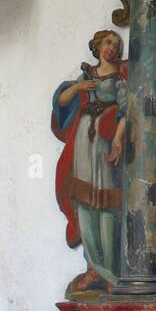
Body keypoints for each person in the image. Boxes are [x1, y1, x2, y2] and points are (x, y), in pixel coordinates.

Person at [52, 29, 127, 293]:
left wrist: (118, 140)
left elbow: (126, 111)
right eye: (108, 42)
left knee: (106, 205)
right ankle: (94, 268)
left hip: (104, 143)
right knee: (84, 201)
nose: (112, 48)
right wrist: (77, 87)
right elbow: (61, 101)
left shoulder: (119, 80)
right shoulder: (86, 77)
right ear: (97, 46)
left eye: (117, 45)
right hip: (84, 142)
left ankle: (110, 270)